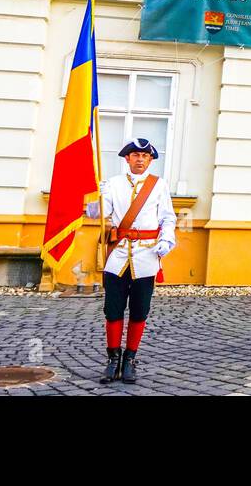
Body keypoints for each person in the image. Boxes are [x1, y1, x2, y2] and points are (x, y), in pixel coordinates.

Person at [87, 138, 176, 384]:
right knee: (113, 310)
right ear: (127, 158)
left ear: (150, 160)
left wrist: (167, 240)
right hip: (117, 257)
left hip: (146, 256)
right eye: (135, 155)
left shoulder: (159, 186)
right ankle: (113, 359)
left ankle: (130, 359)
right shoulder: (113, 184)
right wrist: (98, 196)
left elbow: (168, 218)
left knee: (139, 311)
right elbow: (95, 215)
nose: (139, 159)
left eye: (144, 156)